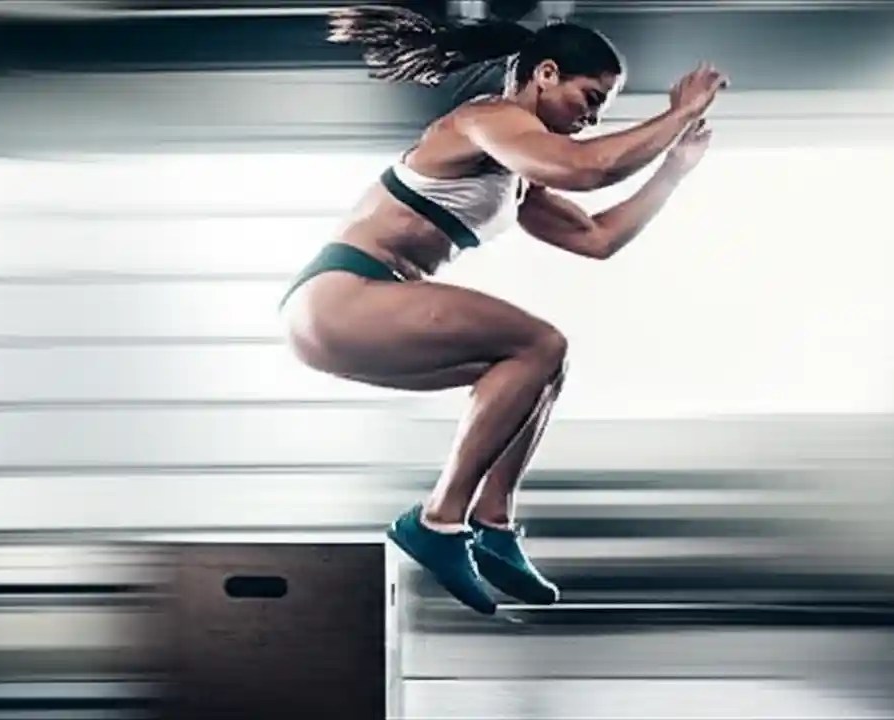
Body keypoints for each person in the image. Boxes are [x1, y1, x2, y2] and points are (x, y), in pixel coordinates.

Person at [278, 5, 727, 615]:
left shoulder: (516, 176)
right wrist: (678, 114)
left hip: (351, 313)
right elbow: (589, 168)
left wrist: (672, 171)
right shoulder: (486, 120)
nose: (592, 117)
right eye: (589, 98)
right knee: (540, 343)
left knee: (541, 370)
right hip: (342, 295)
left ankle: (492, 523)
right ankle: (437, 523)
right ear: (545, 73)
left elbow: (597, 238)